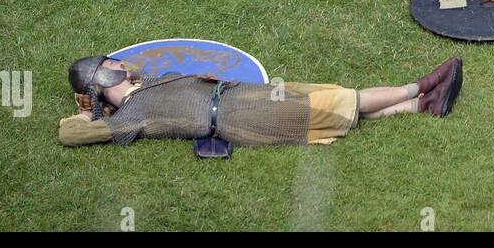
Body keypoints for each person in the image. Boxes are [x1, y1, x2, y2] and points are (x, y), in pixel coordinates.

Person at [57, 54, 463, 148]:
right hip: (238, 115)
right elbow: (71, 135)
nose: (122, 66)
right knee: (339, 102)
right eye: (110, 66)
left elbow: (147, 81)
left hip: (238, 95)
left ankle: (421, 105)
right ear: (99, 81)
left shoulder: (141, 87)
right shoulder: (131, 115)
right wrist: (90, 109)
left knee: (325, 98)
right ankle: (420, 86)